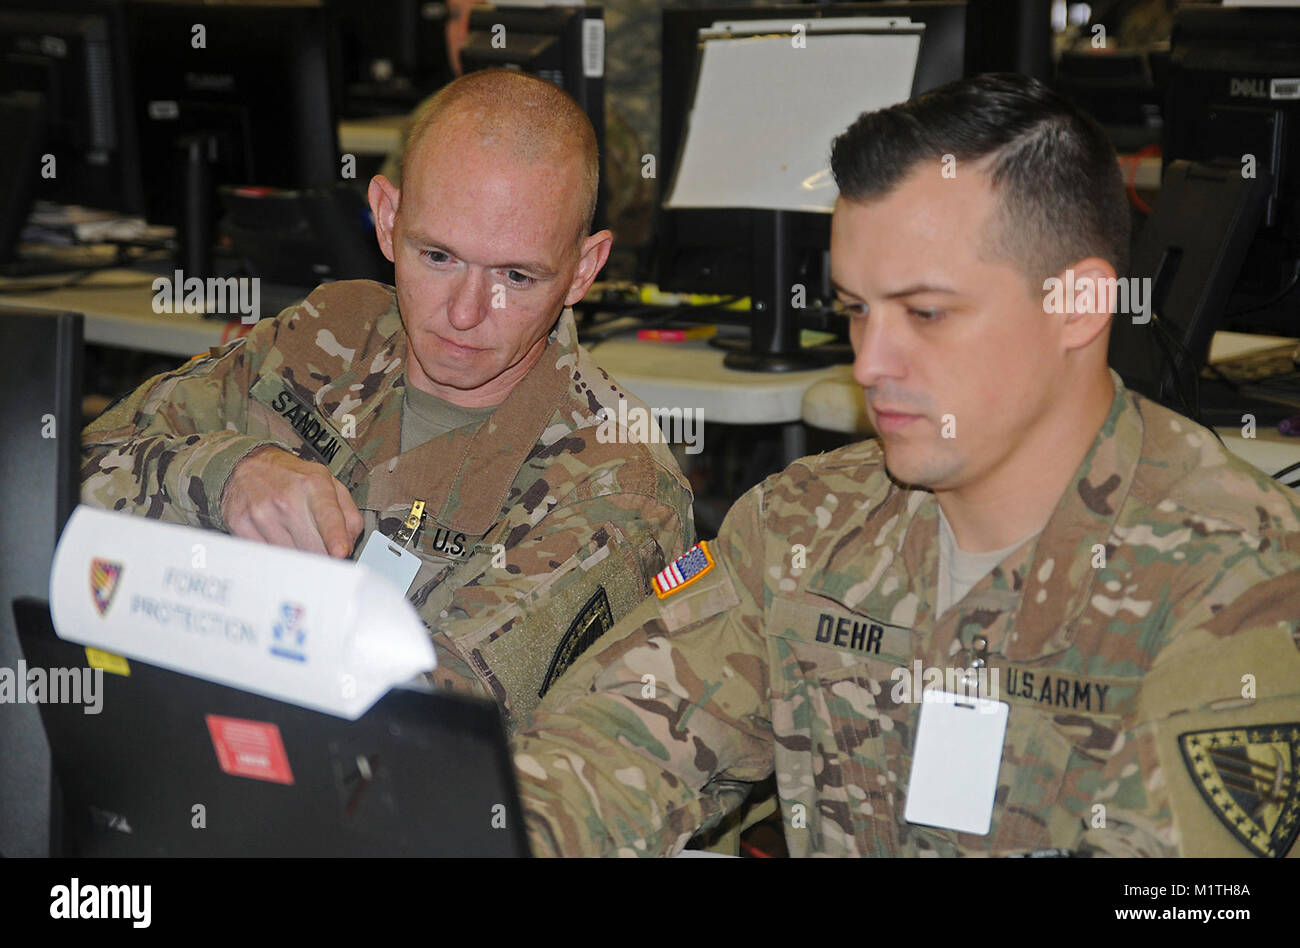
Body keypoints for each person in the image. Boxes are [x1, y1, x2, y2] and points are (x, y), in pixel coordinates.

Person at [512, 74, 1300, 857]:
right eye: (857, 309)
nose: (869, 363)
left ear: (1080, 306)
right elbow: (616, 745)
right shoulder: (804, 525)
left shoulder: (1235, 579)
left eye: (925, 313)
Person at [80, 69, 695, 728]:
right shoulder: (330, 330)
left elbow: (425, 718)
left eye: (516, 276)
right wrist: (225, 478)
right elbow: (65, 478)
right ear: (387, 217)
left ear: (583, 268)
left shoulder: (616, 486)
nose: (464, 314)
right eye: (437, 257)